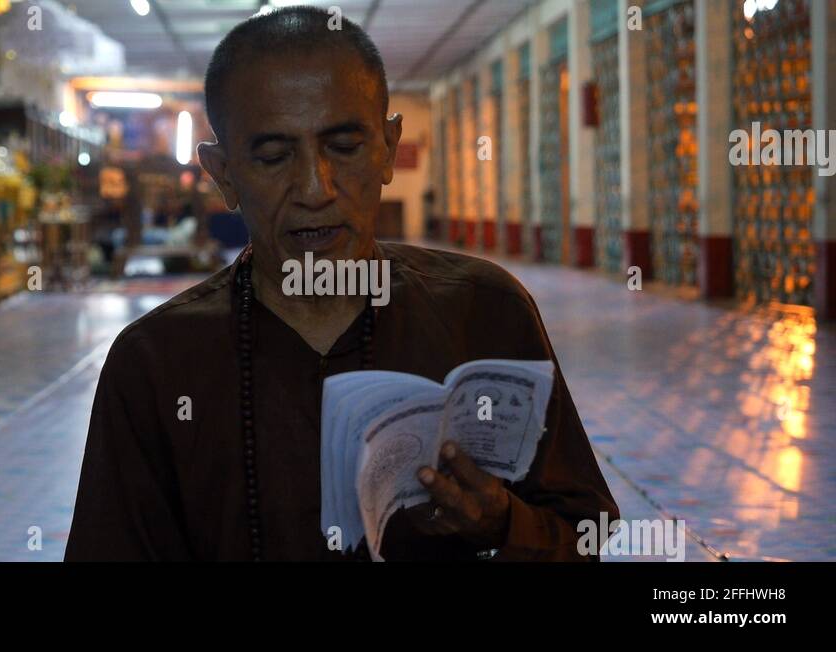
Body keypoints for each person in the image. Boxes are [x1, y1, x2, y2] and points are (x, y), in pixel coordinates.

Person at [65, 7, 617, 562]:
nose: (315, 188)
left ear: (387, 148)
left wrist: (500, 523)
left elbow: (583, 535)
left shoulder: (485, 311)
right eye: (274, 156)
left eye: (344, 148)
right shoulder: (158, 363)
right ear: (223, 174)